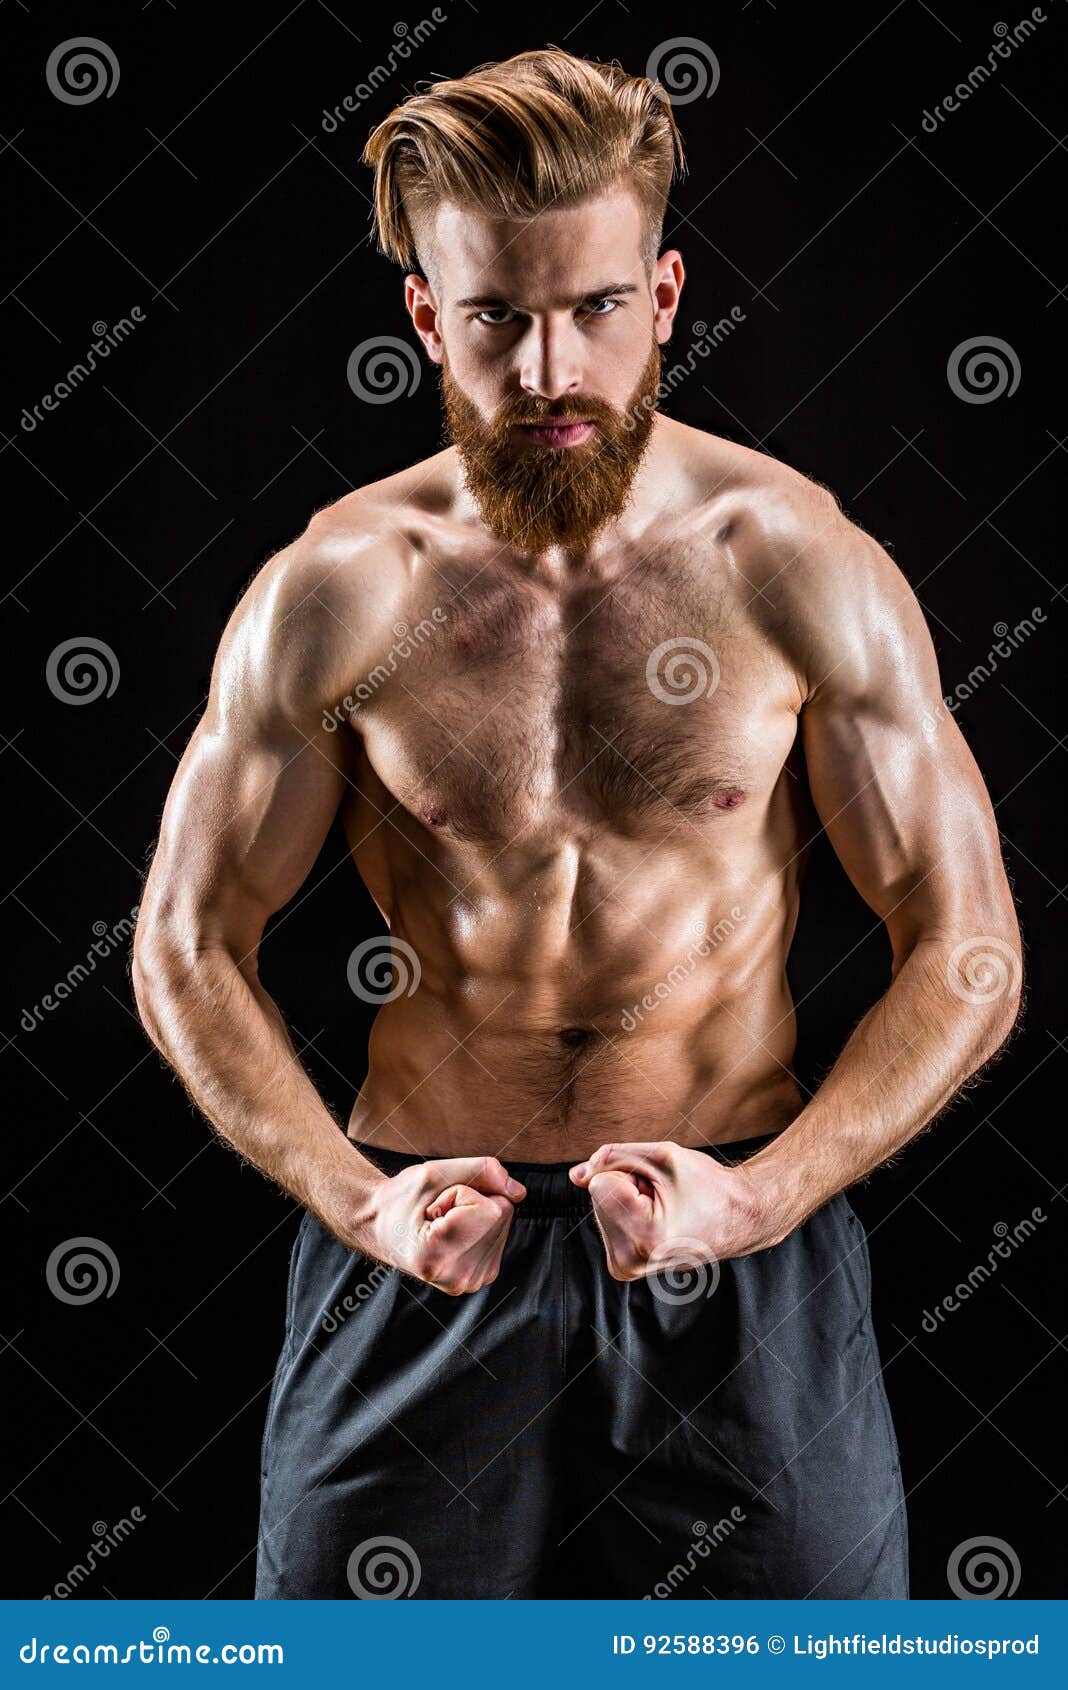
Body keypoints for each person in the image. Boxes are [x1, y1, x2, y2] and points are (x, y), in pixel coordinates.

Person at [132, 49, 1022, 1599]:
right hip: (420, 1242)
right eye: (495, 318)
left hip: (735, 1246)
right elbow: (183, 944)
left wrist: (766, 1194)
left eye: (598, 309)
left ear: (666, 298)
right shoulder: (339, 591)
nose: (549, 370)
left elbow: (969, 948)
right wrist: (360, 1206)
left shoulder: (795, 564)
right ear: (426, 318)